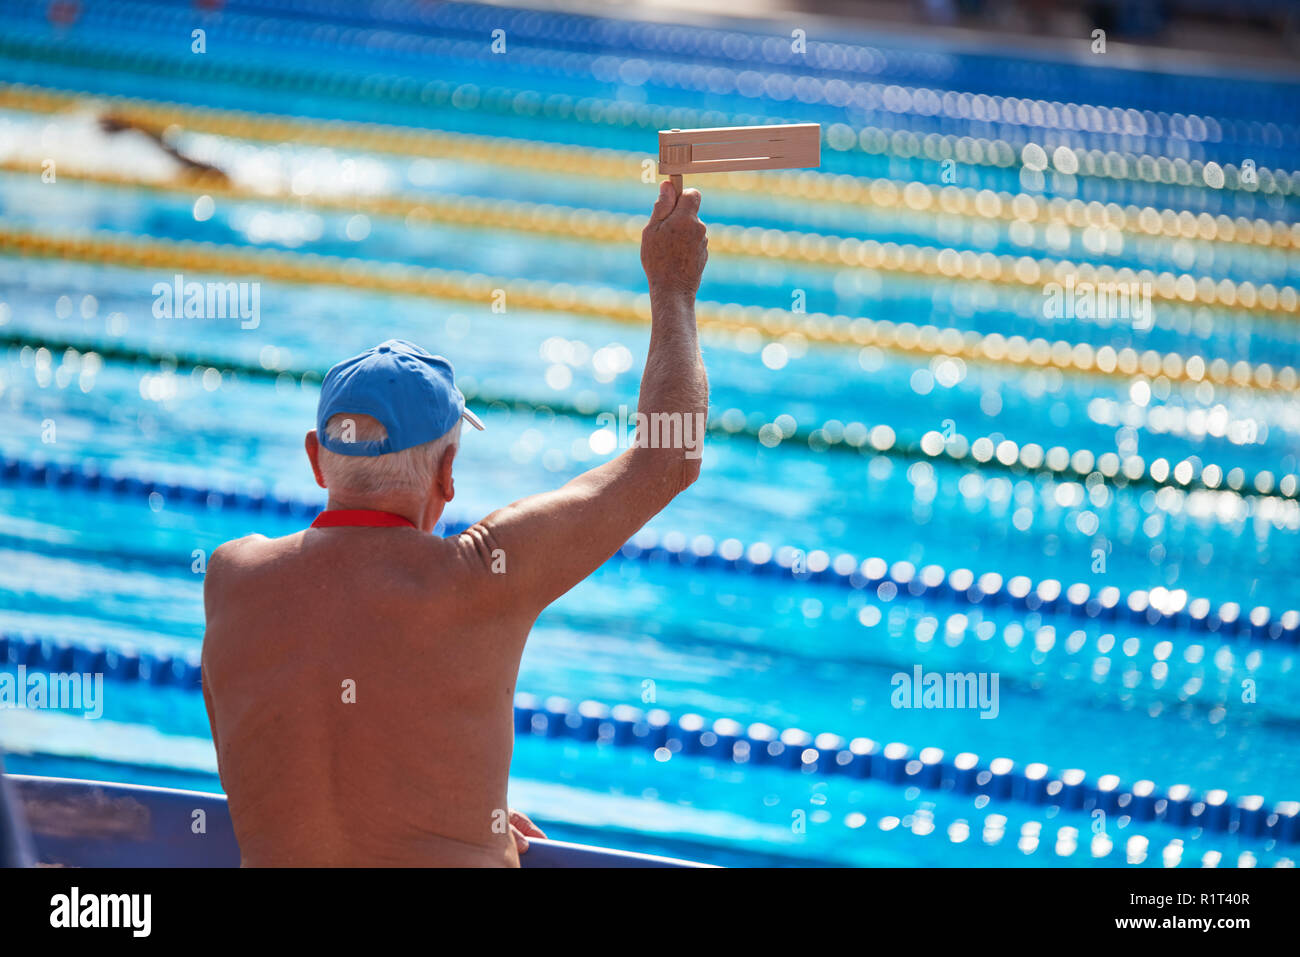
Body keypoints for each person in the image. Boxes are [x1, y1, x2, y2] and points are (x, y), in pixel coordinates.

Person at [201, 181, 709, 866]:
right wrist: (673, 288)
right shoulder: (480, 578)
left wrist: (468, 816)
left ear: (318, 460)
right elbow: (668, 456)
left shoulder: (232, 579)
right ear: (446, 476)